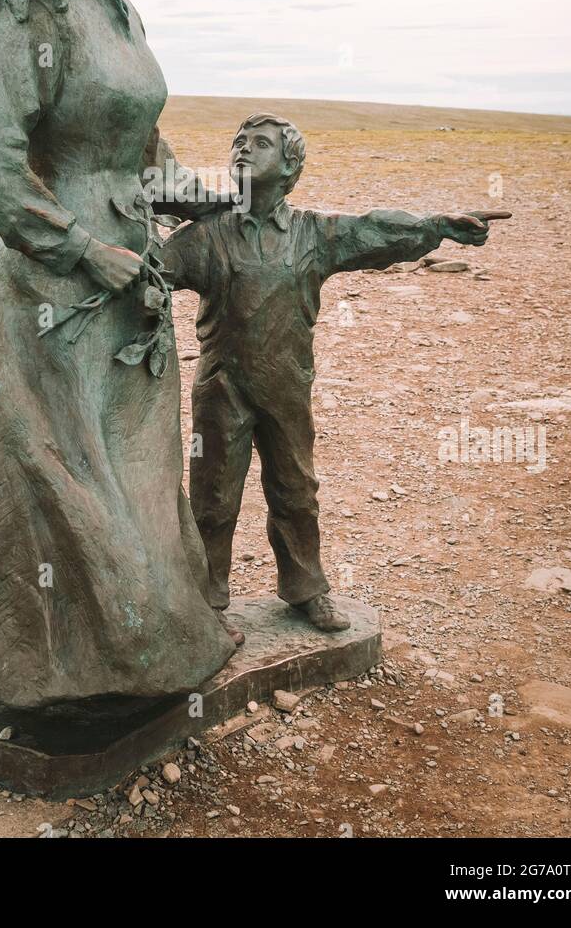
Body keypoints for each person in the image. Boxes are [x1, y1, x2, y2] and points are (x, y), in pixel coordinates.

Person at [0, 0, 235, 709]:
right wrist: (81, 248)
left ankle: (144, 650)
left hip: (129, 281)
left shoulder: (114, 6)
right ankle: (49, 674)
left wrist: (235, 195)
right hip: (55, 291)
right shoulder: (28, 9)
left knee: (136, 473)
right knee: (61, 475)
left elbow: (143, 153)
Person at [161, 112, 510, 645]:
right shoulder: (206, 235)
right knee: (213, 496)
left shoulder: (313, 234)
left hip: (287, 386)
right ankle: (207, 601)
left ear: (290, 166)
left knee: (296, 488)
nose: (243, 149)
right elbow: (147, 274)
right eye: (238, 141)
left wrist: (437, 225)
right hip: (220, 388)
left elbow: (372, 229)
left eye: (260, 144)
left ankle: (305, 589)